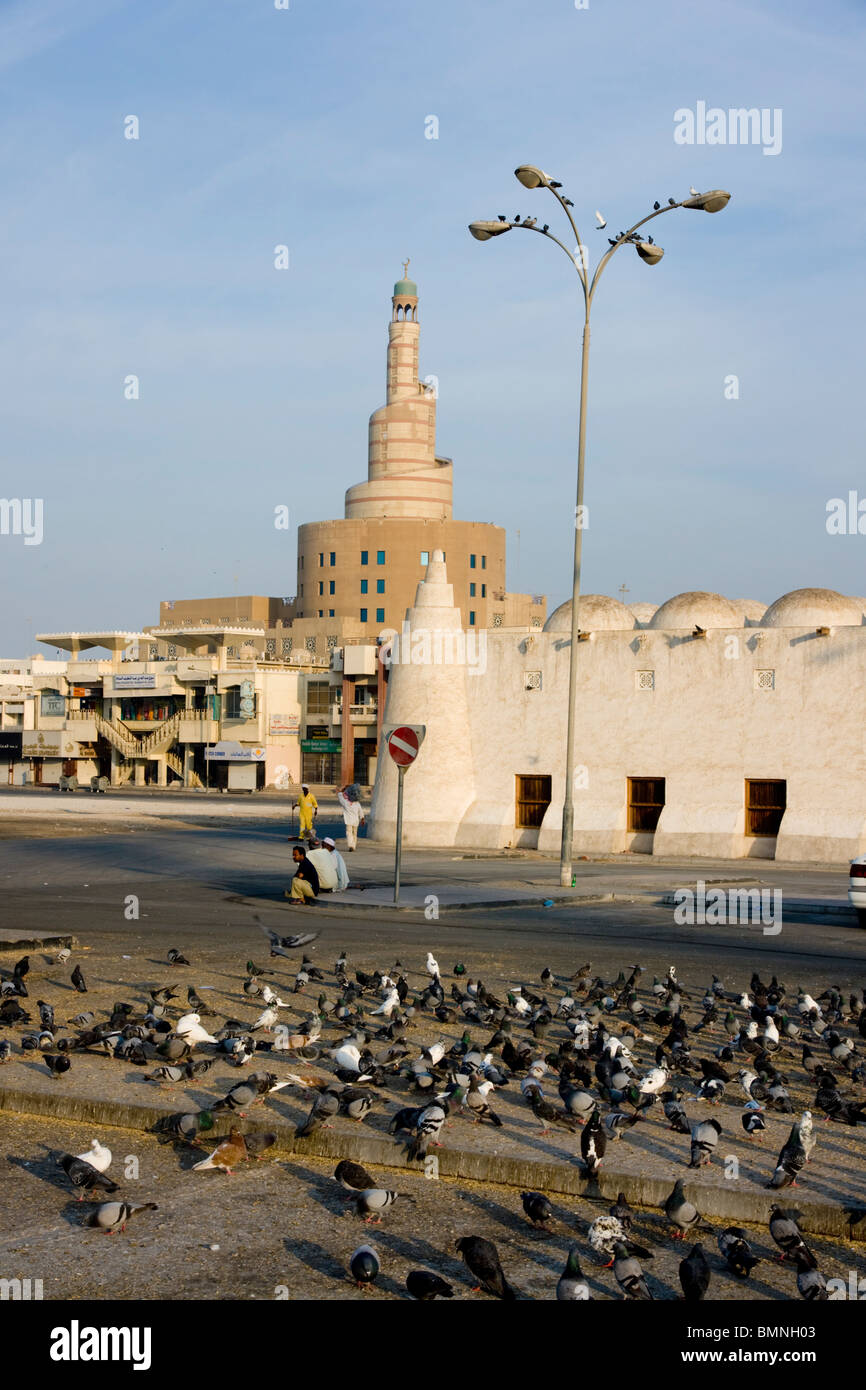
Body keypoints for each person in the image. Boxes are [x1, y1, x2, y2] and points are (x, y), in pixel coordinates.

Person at [336, 785, 363, 850]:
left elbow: (340, 796)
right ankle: (353, 846)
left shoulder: (345, 802)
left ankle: (351, 846)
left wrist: (341, 791)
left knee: (349, 833)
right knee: (354, 834)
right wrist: (362, 818)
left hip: (348, 820)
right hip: (355, 821)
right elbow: (361, 811)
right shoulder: (357, 803)